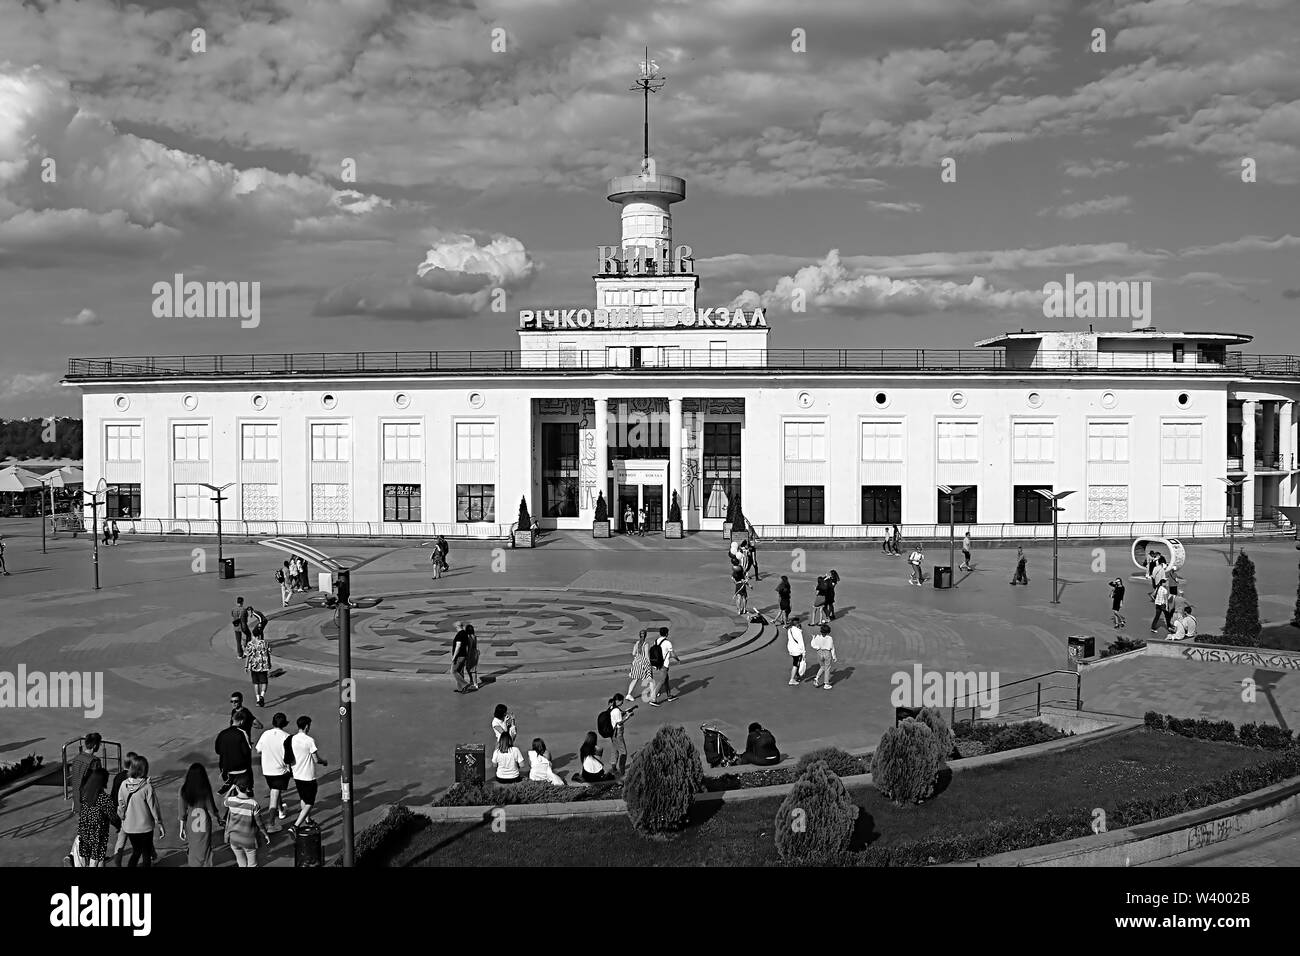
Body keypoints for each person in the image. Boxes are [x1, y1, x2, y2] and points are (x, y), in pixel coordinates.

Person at [117, 754, 164, 868]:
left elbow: (121, 804)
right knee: (146, 852)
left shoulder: (124, 784)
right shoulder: (147, 787)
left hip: (130, 826)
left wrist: (122, 815)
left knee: (136, 851)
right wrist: (159, 823)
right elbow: (154, 807)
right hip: (145, 826)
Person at [64, 732, 104, 866]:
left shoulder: (77, 758)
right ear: (95, 745)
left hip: (79, 800)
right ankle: (77, 859)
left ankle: (73, 857)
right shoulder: (95, 762)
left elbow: (75, 781)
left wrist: (75, 800)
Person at [177, 763, 222, 867]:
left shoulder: (183, 790)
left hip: (191, 823)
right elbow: (212, 808)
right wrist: (219, 818)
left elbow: (182, 812)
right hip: (204, 823)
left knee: (193, 846)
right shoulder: (205, 789)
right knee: (205, 847)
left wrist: (181, 828)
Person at [289, 715, 327, 835]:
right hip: (308, 776)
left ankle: (307, 819)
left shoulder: (292, 739)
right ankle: (295, 826)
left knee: (303, 798)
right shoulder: (309, 740)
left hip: (297, 775)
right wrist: (324, 762)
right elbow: (316, 759)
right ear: (306, 726)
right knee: (310, 802)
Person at [255, 712, 293, 829]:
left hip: (267, 770)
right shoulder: (287, 736)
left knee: (275, 790)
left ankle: (281, 811)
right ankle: (271, 823)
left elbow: (258, 750)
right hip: (280, 770)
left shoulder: (266, 734)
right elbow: (290, 756)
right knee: (275, 792)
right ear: (284, 723)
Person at [76, 769, 118, 867]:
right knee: (96, 860)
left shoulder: (84, 794)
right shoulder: (104, 799)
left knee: (94, 859)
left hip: (84, 832)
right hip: (98, 835)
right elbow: (113, 816)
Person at [224, 779, 269, 867]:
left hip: (234, 838)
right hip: (249, 839)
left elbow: (225, 800)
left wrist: (230, 789)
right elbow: (259, 822)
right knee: (252, 864)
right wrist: (265, 834)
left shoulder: (230, 801)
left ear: (236, 788)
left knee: (241, 863)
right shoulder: (253, 804)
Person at [216, 708, 256, 796]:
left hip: (225, 769)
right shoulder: (242, 733)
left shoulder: (222, 733)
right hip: (240, 770)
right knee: (243, 795)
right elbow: (246, 752)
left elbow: (218, 750)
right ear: (241, 721)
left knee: (231, 790)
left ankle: (228, 788)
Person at [647, 627, 678, 706]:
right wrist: (677, 659)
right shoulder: (668, 643)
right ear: (667, 633)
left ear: (660, 633)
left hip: (657, 663)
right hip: (664, 664)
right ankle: (653, 699)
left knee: (666, 680)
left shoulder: (656, 641)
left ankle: (669, 696)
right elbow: (673, 654)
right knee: (662, 680)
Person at [607, 693, 635, 775]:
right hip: (618, 732)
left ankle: (613, 768)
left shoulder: (612, 708)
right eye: (621, 701)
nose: (622, 702)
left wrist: (626, 712)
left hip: (612, 733)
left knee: (615, 750)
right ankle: (622, 771)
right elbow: (619, 722)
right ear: (617, 701)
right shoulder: (616, 711)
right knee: (623, 752)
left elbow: (616, 718)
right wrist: (628, 717)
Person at [244, 628, 272, 708]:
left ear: (253, 635)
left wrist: (246, 666)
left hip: (254, 666)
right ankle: (262, 696)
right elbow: (269, 653)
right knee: (264, 682)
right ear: (260, 635)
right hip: (263, 666)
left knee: (256, 683)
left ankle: (257, 699)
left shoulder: (250, 644)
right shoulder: (265, 643)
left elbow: (248, 656)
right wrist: (269, 663)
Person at [626, 629, 653, 702]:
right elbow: (647, 656)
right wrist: (650, 664)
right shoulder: (646, 644)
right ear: (646, 635)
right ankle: (653, 693)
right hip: (644, 662)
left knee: (635, 679)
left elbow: (633, 653)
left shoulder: (637, 643)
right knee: (649, 677)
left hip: (637, 662)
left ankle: (629, 694)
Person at [811, 623, 838, 690]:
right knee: (827, 668)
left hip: (819, 652)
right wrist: (834, 656)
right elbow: (832, 648)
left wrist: (813, 638)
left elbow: (813, 645)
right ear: (828, 632)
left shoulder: (817, 637)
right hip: (827, 653)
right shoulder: (829, 638)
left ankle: (816, 678)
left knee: (822, 667)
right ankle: (826, 684)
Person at [450, 624, 471, 693]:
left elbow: (458, 646)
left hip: (459, 656)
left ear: (457, 627)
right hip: (464, 656)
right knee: (460, 672)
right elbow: (467, 646)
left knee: (453, 671)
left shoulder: (459, 634)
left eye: (455, 627)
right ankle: (461, 689)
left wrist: (454, 657)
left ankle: (464, 684)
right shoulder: (465, 633)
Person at [786, 615, 807, 685]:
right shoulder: (798, 631)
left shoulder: (789, 630)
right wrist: (804, 653)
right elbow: (801, 643)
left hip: (791, 648)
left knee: (796, 661)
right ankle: (792, 679)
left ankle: (797, 675)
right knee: (795, 664)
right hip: (797, 650)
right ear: (797, 623)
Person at [465, 623, 482, 690]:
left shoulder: (468, 637)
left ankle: (474, 683)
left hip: (470, 654)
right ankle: (473, 682)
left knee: (470, 669)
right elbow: (475, 646)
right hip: (475, 654)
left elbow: (468, 647)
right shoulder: (474, 636)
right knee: (472, 669)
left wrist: (467, 655)